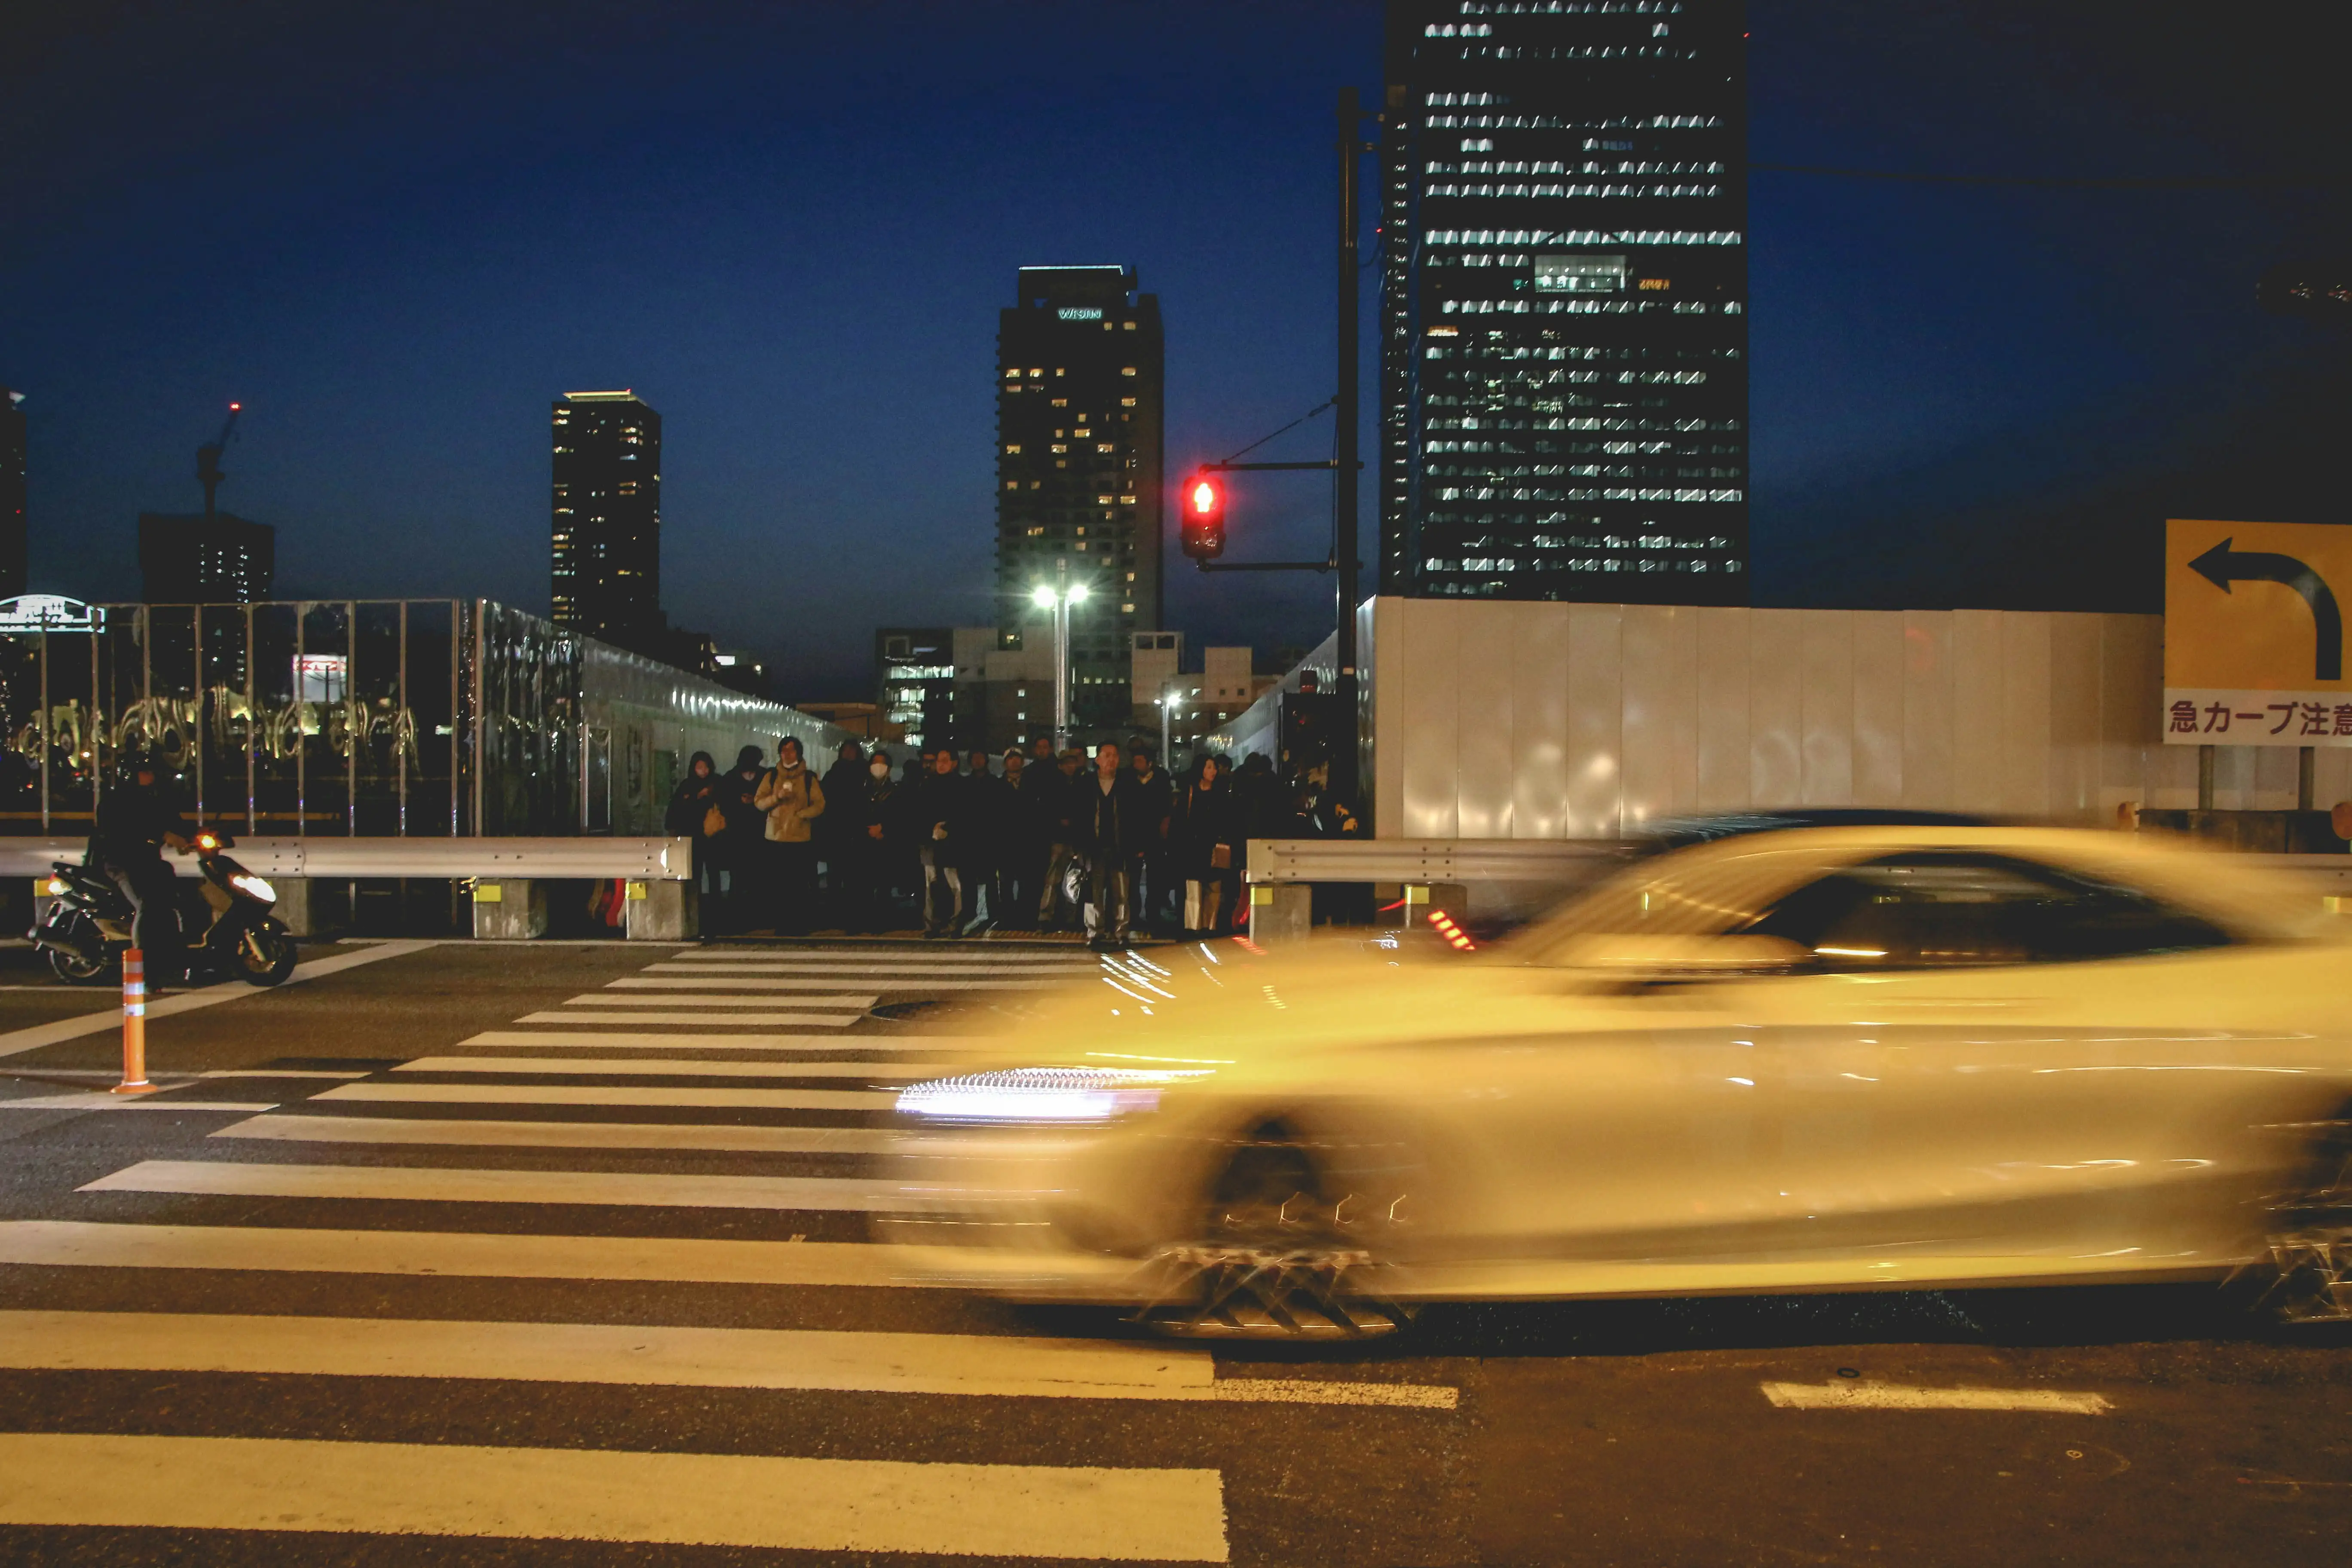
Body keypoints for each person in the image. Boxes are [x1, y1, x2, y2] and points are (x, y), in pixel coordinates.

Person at [92, 749, 190, 987]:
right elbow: (124, 833)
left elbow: (175, 823)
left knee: (175, 900)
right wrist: (162, 835)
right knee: (147, 904)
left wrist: (199, 835)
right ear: (130, 774)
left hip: (149, 862)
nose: (151, 777)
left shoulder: (156, 799)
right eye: (145, 772)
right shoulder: (114, 802)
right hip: (121, 862)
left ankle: (176, 959)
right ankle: (144, 969)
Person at [1073, 738, 1147, 951]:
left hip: (1120, 847)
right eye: (1107, 756)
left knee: (1122, 893)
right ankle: (1094, 932)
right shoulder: (1086, 783)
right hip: (1093, 847)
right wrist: (1078, 847)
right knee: (1093, 892)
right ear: (1097, 759)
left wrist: (1137, 845)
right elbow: (1079, 817)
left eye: (1115, 755)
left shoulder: (1127, 783)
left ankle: (1121, 932)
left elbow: (1137, 816)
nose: (1112, 760)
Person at [753, 737, 826, 935]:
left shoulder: (809, 778)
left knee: (799, 883)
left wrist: (802, 815)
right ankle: (782, 923)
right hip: (776, 838)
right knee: (778, 883)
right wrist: (776, 798)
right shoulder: (771, 776)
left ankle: (800, 923)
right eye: (784, 750)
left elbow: (820, 804)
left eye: (792, 750)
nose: (787, 754)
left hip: (800, 838)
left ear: (799, 753)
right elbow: (759, 802)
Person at [904, 747, 972, 937]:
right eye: (939, 760)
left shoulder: (961, 785)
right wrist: (931, 829)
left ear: (954, 763)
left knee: (954, 885)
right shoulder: (927, 785)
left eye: (945, 760)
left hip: (953, 843)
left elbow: (966, 814)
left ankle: (955, 924)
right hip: (930, 842)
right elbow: (918, 812)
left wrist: (948, 828)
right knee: (931, 884)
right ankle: (932, 924)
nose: (941, 764)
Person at [1173, 754, 1242, 935]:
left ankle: (1210, 925)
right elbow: (1181, 821)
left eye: (1214, 768)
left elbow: (1228, 821)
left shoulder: (1220, 793)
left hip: (1214, 846)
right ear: (1200, 770)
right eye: (1209, 767)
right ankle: (1194, 925)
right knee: (1194, 886)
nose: (1214, 771)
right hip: (1193, 846)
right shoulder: (1189, 793)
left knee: (1214, 887)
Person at [664, 750, 728, 917]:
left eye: (706, 767)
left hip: (713, 836)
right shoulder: (688, 785)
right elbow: (678, 808)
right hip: (693, 835)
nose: (704, 771)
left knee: (713, 871)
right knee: (696, 872)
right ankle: (696, 905)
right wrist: (698, 796)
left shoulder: (717, 783)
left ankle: (716, 906)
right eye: (700, 767)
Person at [712, 744, 768, 931]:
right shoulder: (735, 778)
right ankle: (740, 918)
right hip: (739, 834)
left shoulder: (757, 776)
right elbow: (724, 804)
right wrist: (742, 803)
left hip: (756, 833)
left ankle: (753, 917)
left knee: (755, 877)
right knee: (740, 876)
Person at [817, 740, 870, 931]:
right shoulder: (835, 772)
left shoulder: (864, 772)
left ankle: (852, 917)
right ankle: (835, 916)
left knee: (853, 877)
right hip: (836, 831)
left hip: (856, 831)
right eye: (845, 750)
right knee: (835, 876)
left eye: (852, 750)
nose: (848, 753)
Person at [962, 748, 1014, 932]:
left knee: (991, 879)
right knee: (969, 880)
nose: (977, 761)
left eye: (980, 758)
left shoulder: (996, 784)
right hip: (969, 839)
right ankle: (970, 914)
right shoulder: (965, 784)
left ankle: (992, 914)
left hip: (991, 840)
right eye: (974, 758)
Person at [1035, 747, 1087, 932]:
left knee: (1073, 880)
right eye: (1067, 763)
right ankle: (1046, 916)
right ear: (1060, 765)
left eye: (1073, 762)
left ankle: (1070, 918)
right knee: (1054, 879)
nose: (1070, 766)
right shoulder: (1054, 784)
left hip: (1075, 839)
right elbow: (1046, 809)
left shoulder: (1081, 783)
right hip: (1058, 838)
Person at [1127, 744, 1175, 935]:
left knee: (1155, 878)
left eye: (1140, 761)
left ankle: (1153, 914)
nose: (1136, 764)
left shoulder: (1161, 779)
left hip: (1155, 835)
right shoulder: (1130, 779)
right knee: (1133, 878)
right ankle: (1134, 915)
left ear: (1150, 763)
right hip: (1135, 835)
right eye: (1135, 761)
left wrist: (1165, 827)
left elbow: (1167, 806)